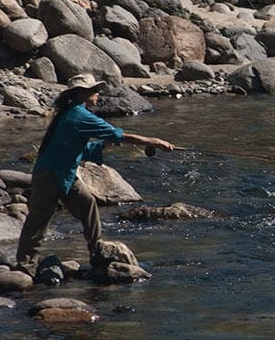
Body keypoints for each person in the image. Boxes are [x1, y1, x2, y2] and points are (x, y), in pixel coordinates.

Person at [15, 72, 177, 275]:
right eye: (94, 91)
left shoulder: (70, 112)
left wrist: (105, 144)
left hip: (63, 173)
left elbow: (80, 150)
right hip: (50, 174)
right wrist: (154, 141)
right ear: (82, 93)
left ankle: (96, 250)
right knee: (39, 219)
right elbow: (120, 135)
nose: (98, 94)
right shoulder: (79, 115)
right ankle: (25, 267)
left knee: (87, 204)